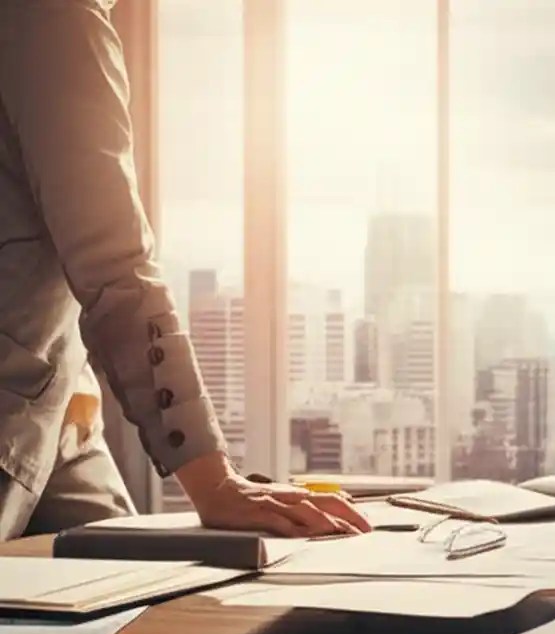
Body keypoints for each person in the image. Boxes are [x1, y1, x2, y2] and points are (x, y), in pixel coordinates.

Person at [0, 0, 371, 540]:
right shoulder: (55, 16)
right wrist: (214, 480)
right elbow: (116, 267)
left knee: (132, 605)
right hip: (21, 419)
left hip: (58, 414)